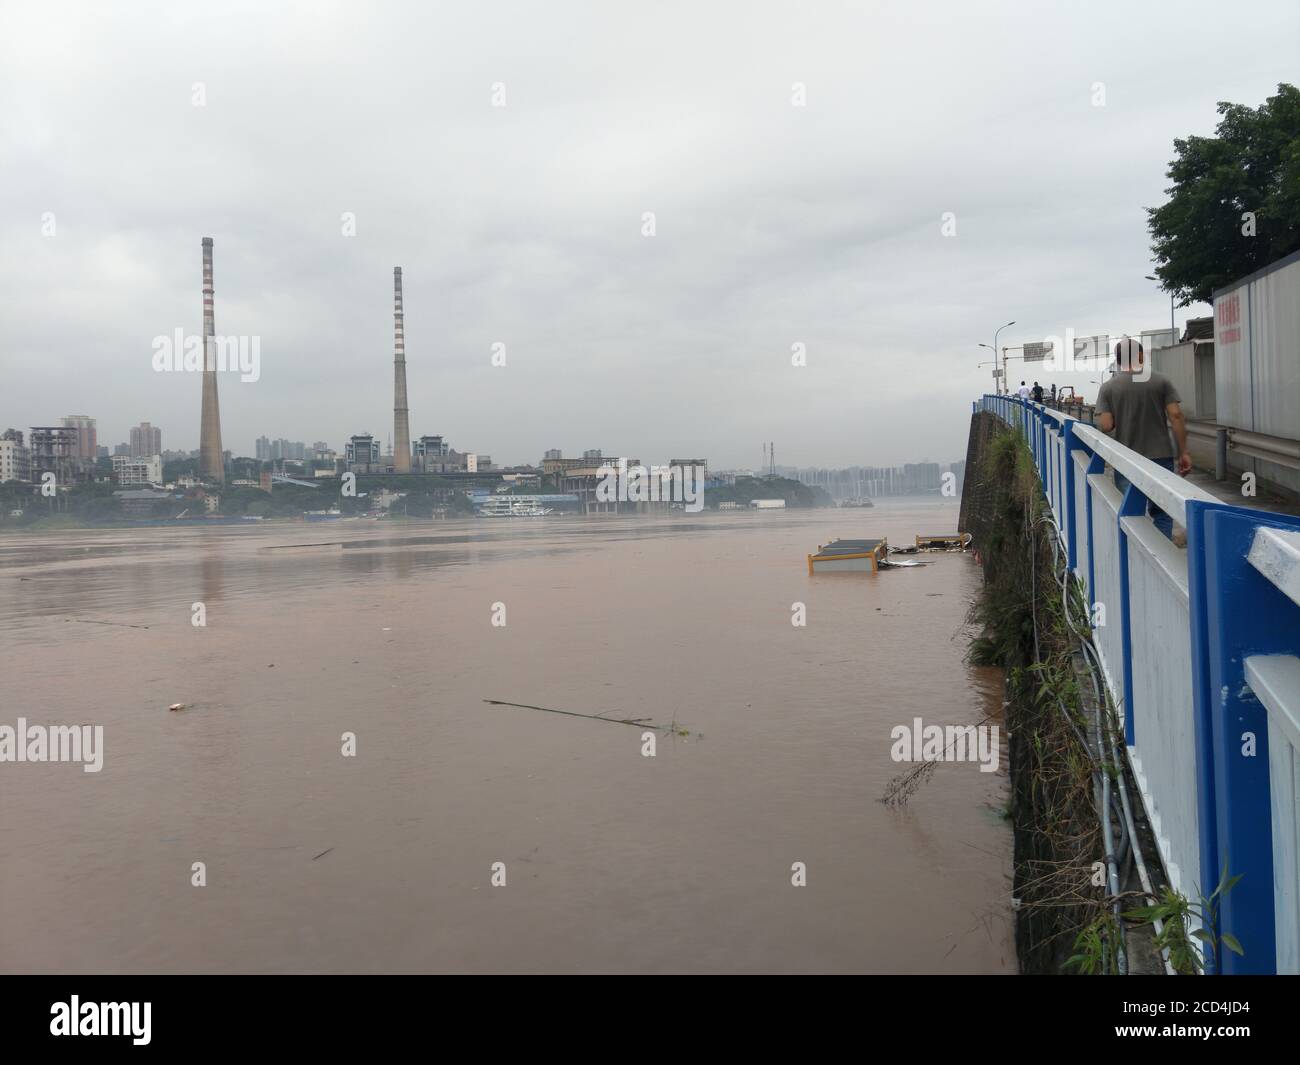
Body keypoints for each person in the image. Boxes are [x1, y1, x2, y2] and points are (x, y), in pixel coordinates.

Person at [1094, 338, 1191, 541]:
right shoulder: (1161, 381)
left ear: (1118, 360)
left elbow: (1106, 425)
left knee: (1131, 512)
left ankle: (1134, 555)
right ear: (1140, 355)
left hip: (1126, 459)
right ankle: (1163, 553)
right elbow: (1175, 415)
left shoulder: (1108, 388)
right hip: (1161, 456)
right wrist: (1183, 453)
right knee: (1162, 511)